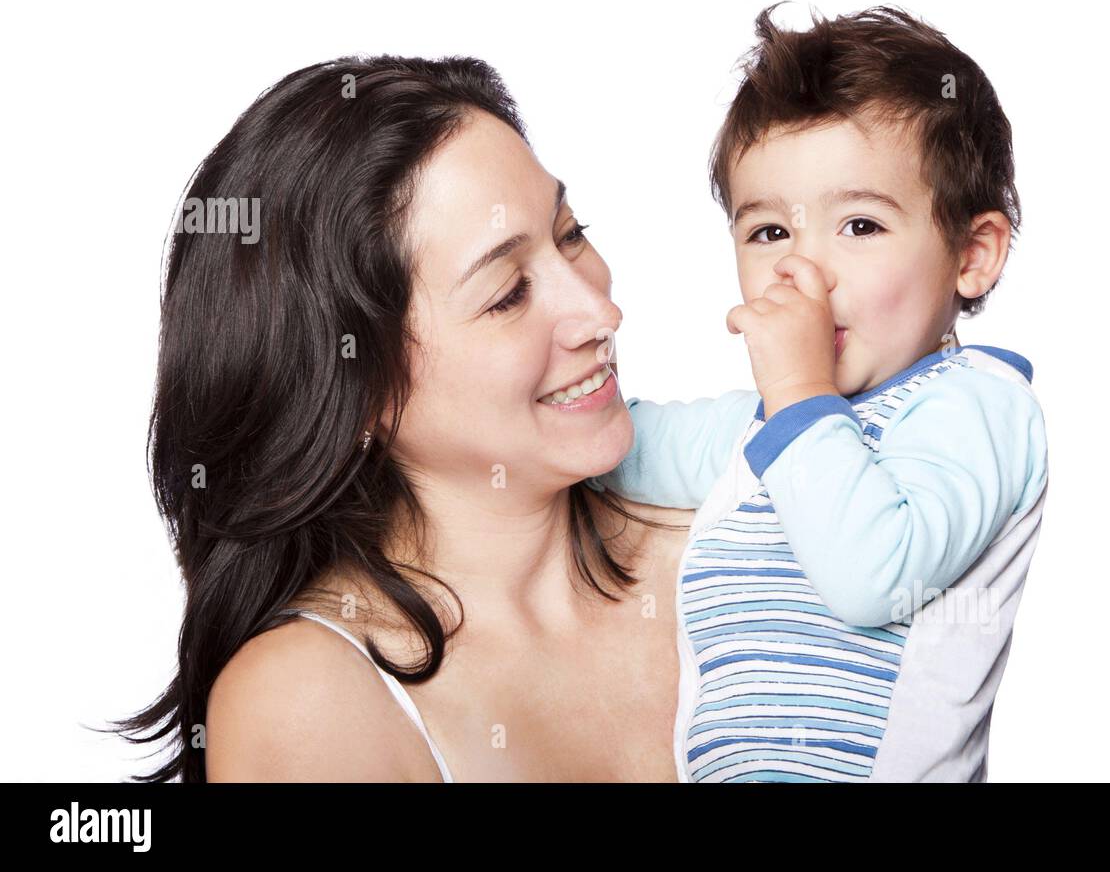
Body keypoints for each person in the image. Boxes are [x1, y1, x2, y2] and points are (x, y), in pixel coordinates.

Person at [107, 55, 692, 782]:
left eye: (570, 233)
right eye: (508, 293)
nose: (599, 313)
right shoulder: (310, 703)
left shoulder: (742, 536)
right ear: (359, 389)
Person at [591, 6, 1050, 781]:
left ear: (973, 255)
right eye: (770, 233)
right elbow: (611, 451)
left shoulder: (981, 407)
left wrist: (799, 390)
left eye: (861, 226)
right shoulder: (762, 428)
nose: (805, 272)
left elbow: (878, 577)